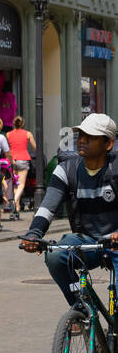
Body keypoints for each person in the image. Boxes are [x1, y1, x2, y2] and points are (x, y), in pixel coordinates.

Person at [20, 113, 118, 309]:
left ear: (108, 144)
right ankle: (81, 307)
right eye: (80, 135)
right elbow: (48, 207)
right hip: (89, 242)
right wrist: (34, 234)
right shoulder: (66, 169)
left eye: (90, 137)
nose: (82, 140)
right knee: (57, 256)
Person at [5, 115, 35, 217]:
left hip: (12, 160)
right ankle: (14, 201)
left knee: (14, 183)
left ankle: (16, 207)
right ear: (22, 124)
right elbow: (35, 147)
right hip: (23, 159)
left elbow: (7, 148)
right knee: (21, 184)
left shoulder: (8, 134)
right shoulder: (28, 134)